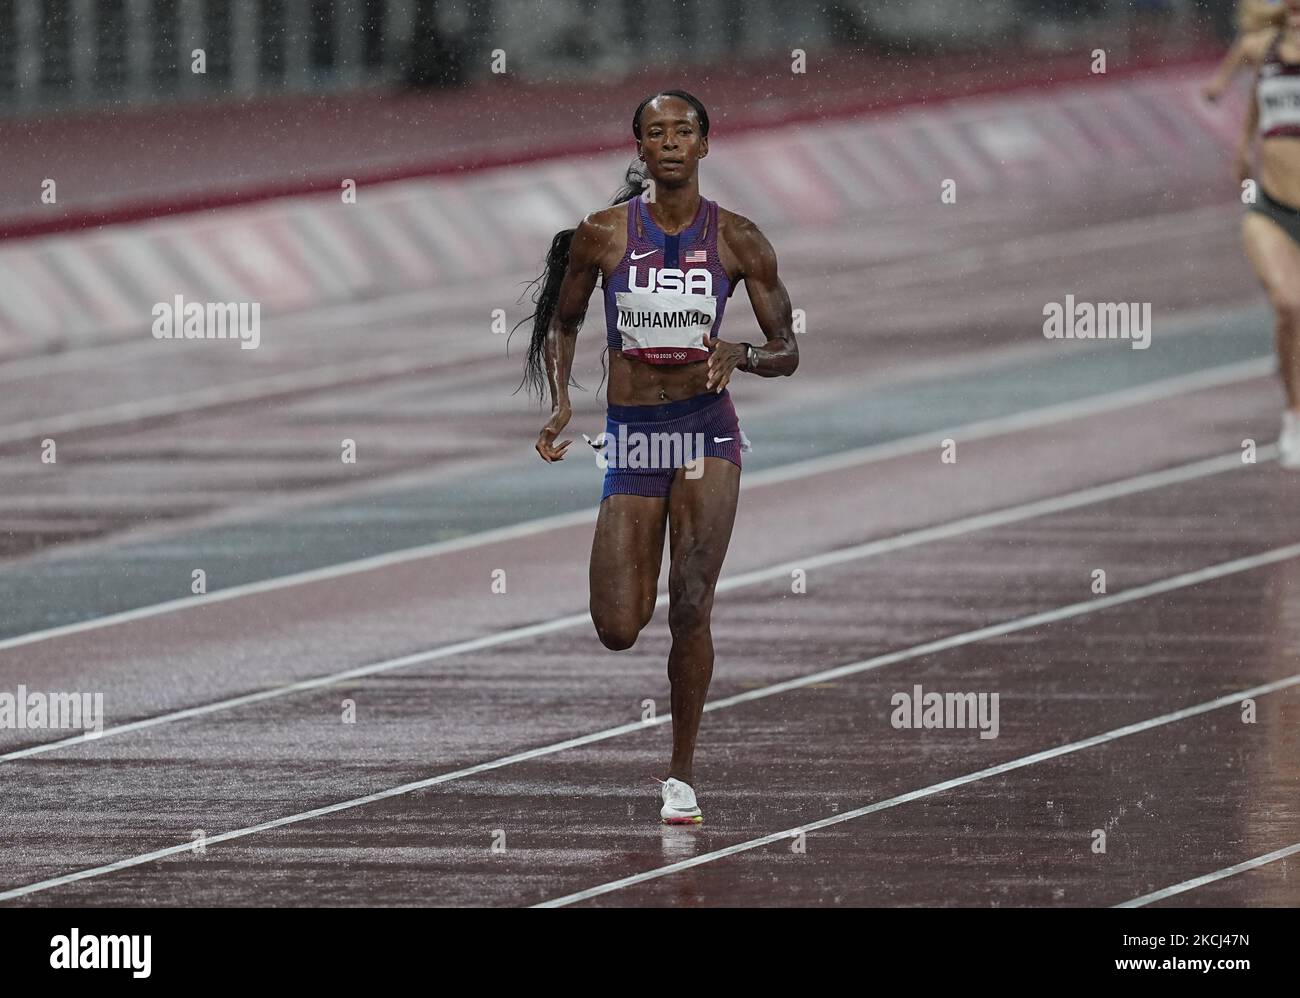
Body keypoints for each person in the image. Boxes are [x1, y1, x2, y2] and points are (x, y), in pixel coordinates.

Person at [517, 90, 799, 822]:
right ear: (639, 148)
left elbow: (788, 350)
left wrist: (743, 354)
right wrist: (562, 402)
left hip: (706, 432)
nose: (670, 143)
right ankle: (673, 757)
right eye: (656, 133)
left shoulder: (739, 239)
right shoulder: (602, 234)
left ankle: (681, 775)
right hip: (635, 435)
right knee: (618, 625)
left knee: (693, 600)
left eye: (683, 131)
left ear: (705, 144)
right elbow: (565, 319)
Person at [1235, 0, 1300, 467]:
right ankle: (1295, 416)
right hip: (1271, 208)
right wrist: (1242, 151)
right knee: (1288, 304)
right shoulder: (1264, 50)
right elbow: (1250, 120)